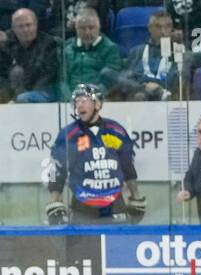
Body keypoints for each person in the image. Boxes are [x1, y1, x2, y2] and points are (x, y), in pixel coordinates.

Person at [45, 83, 147, 226]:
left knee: (117, 246)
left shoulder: (116, 131)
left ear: (98, 104)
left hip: (115, 204)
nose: (80, 105)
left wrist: (135, 195)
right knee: (83, 248)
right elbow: (57, 169)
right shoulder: (69, 135)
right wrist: (55, 199)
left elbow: (127, 166)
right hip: (82, 206)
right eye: (77, 101)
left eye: (84, 100)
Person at [107, 9, 178, 101]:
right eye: (158, 27)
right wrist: (142, 87)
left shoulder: (179, 51)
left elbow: (178, 80)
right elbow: (125, 78)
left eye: (168, 26)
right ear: (149, 28)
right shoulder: (136, 52)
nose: (163, 31)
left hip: (167, 96)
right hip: (138, 94)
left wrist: (158, 88)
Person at [60, 6, 122, 99]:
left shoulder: (110, 49)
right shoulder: (68, 50)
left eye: (91, 27)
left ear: (99, 27)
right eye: (82, 28)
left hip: (98, 100)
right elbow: (62, 80)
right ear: (76, 29)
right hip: (72, 101)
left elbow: (110, 82)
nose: (87, 32)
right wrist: (70, 98)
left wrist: (90, 98)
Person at [0, 7, 59, 102]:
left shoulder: (48, 43)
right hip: (13, 91)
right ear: (13, 28)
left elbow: (47, 75)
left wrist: (19, 95)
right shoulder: (6, 42)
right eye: (20, 26)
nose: (25, 29)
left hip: (43, 89)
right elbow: (2, 72)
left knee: (24, 98)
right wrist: (6, 92)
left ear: (36, 25)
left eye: (28, 25)